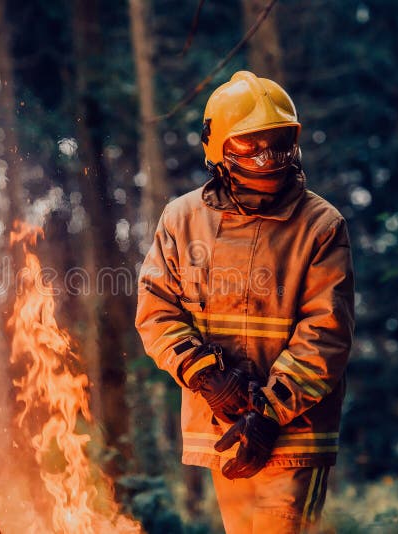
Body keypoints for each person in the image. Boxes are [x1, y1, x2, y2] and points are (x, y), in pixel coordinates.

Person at [134, 70, 355, 534]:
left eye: (277, 144)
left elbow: (326, 332)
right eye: (250, 146)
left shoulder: (321, 225)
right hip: (223, 428)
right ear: (217, 150)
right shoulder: (181, 219)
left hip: (295, 428)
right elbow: (156, 310)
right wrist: (207, 376)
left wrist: (269, 411)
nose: (265, 159)